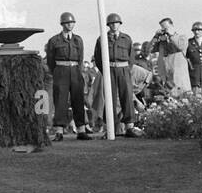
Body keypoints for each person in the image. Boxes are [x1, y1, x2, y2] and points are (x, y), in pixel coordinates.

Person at [44, 11, 91, 141]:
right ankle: (59, 131)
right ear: (62, 24)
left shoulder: (78, 40)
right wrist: (57, 72)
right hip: (61, 70)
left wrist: (79, 72)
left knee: (78, 100)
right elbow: (50, 60)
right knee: (60, 101)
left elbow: (81, 58)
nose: (70, 25)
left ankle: (81, 130)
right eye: (67, 23)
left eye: (72, 22)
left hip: (75, 70)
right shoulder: (54, 40)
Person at [94, 13, 141, 138]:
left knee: (127, 96)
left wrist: (126, 69)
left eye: (116, 23)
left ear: (120, 24)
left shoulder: (126, 39)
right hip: (110, 69)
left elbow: (131, 57)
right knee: (110, 98)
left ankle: (129, 127)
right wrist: (106, 70)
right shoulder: (102, 39)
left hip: (123, 69)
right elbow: (98, 58)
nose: (114, 25)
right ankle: (110, 128)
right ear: (108, 25)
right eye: (111, 23)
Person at [150, 18, 190, 96]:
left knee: (183, 94)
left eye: (166, 27)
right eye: (162, 28)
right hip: (169, 75)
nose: (164, 30)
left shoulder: (181, 37)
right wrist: (155, 37)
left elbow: (180, 46)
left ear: (172, 25)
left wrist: (170, 35)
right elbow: (150, 49)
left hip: (180, 74)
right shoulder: (162, 41)